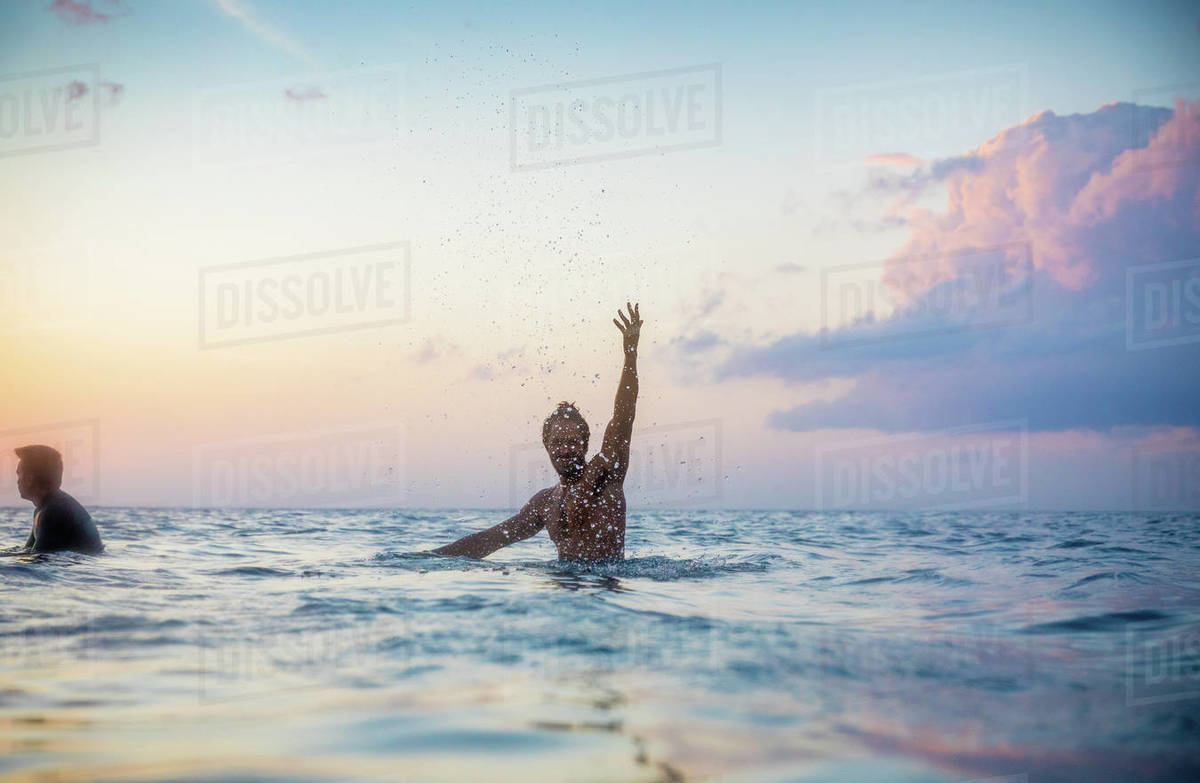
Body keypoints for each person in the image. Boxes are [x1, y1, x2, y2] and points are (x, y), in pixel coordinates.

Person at [434, 302, 642, 563]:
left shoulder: (604, 475)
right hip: (560, 595)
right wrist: (428, 558)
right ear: (546, 445)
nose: (566, 449)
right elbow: (493, 538)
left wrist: (630, 355)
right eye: (558, 442)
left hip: (603, 591)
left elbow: (623, 415)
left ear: (586, 444)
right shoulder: (545, 503)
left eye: (573, 442)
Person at [12, 444, 103, 554]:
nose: (17, 481)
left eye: (19, 474)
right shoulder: (45, 509)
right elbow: (27, 552)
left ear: (29, 480)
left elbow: (39, 559)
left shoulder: (53, 513)